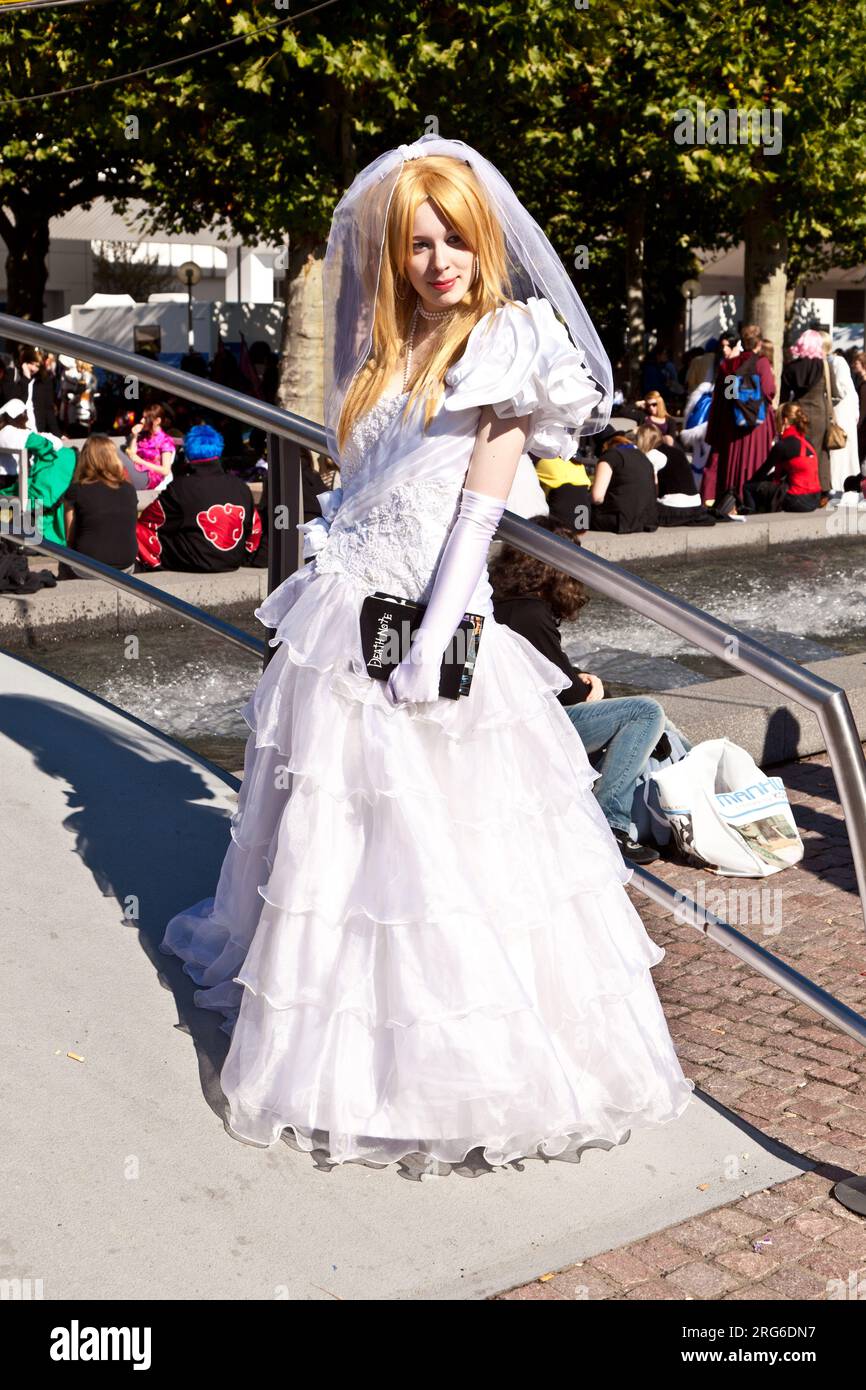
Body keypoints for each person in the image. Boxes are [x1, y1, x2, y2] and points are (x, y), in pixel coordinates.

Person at [158, 134, 694, 1169]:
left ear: (482, 240)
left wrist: (430, 642)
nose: (437, 259)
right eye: (416, 243)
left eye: (453, 237)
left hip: (427, 633)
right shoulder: (385, 352)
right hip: (341, 619)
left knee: (440, 858)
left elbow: (475, 521)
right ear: (391, 254)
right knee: (335, 845)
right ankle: (338, 1049)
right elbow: (363, 492)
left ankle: (453, 1074)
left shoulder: (502, 341)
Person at [490, 515, 665, 863]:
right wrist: (592, 687)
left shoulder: (504, 603)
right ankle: (610, 823)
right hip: (538, 728)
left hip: (518, 718)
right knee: (645, 712)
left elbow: (547, 670)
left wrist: (580, 675)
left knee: (660, 727)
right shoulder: (531, 612)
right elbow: (567, 694)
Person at [136, 423, 261, 572]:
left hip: (194, 561)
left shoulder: (180, 487)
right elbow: (254, 527)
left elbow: (149, 520)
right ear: (219, 450)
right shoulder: (240, 486)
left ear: (188, 452)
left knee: (135, 529)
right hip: (233, 560)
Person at [700, 323, 776, 508]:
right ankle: (750, 500)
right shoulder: (761, 362)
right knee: (753, 461)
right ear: (758, 344)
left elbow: (725, 396)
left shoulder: (729, 365)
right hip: (756, 425)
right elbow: (769, 391)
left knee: (732, 462)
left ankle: (730, 500)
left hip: (733, 423)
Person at [58, 435, 138, 580]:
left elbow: (69, 537)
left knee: (64, 558)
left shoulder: (77, 489)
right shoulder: (129, 489)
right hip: (126, 565)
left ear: (86, 459)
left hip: (88, 567)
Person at [0, 398, 76, 543]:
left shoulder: (5, 432)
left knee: (50, 479)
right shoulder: (14, 433)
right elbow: (48, 447)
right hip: (13, 487)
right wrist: (45, 436)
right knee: (59, 468)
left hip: (11, 484)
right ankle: (39, 534)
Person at [740, 402, 822, 514]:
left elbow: (763, 471)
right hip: (815, 497)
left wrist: (751, 482)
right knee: (769, 486)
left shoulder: (783, 445)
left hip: (797, 499)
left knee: (748, 488)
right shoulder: (808, 442)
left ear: (785, 420)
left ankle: (752, 521)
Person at [780, 329, 831, 497]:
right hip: (819, 414)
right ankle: (820, 489)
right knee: (818, 453)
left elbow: (784, 397)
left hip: (798, 414)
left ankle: (798, 486)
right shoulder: (823, 366)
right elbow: (833, 390)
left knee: (799, 453)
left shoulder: (790, 368)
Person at [590, 431, 659, 533]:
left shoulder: (610, 456)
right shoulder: (643, 457)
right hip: (647, 521)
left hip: (618, 521)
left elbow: (597, 498)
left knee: (578, 508)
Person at [827, 347, 860, 493]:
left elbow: (840, 390)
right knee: (843, 453)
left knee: (839, 452)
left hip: (841, 416)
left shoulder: (836, 362)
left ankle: (841, 484)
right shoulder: (835, 363)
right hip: (845, 416)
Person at [125, 404, 177, 493]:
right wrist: (134, 436)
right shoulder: (145, 435)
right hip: (136, 467)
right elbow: (132, 453)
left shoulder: (165, 441)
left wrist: (141, 462)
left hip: (150, 476)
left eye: (146, 418)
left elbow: (165, 470)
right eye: (143, 417)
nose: (141, 421)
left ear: (157, 421)